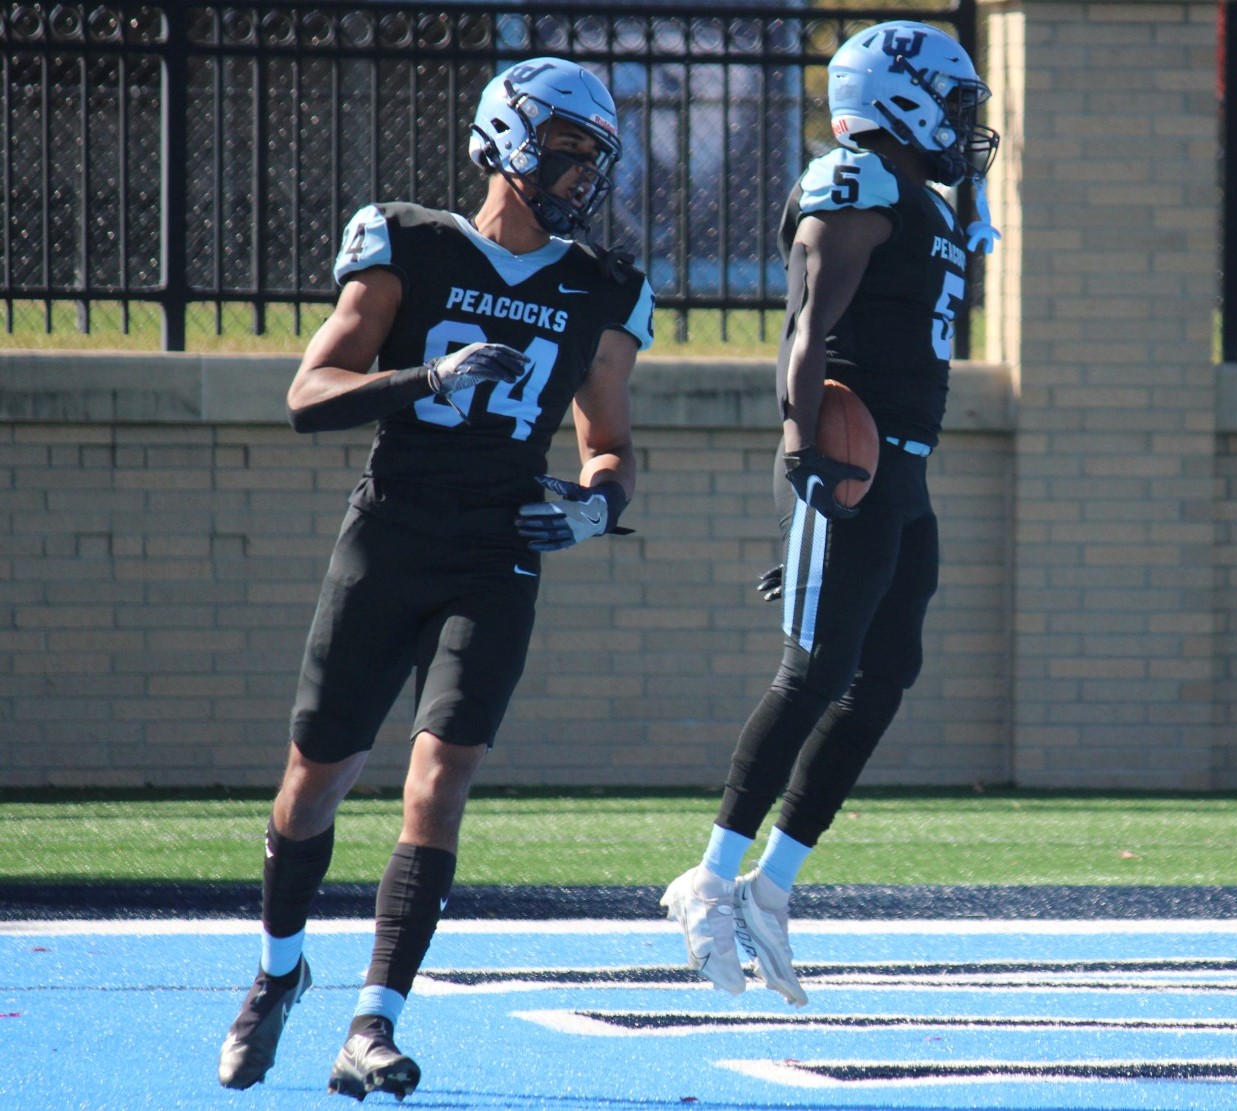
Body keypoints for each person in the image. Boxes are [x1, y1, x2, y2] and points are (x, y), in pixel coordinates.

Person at [216, 58, 653, 1098]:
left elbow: (608, 444)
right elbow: (308, 393)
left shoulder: (603, 286)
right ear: (505, 140)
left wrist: (597, 507)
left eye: (592, 157)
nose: (580, 174)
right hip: (391, 533)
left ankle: (374, 1022)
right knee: (314, 782)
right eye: (565, 149)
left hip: (498, 548)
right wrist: (425, 377)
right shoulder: (406, 241)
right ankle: (278, 970)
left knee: (440, 776)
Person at [660, 20, 1000, 1006]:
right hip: (846, 454)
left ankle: (772, 885)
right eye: (952, 103)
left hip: (903, 467)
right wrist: (801, 453)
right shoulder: (856, 181)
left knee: (885, 670)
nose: (963, 124)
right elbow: (808, 324)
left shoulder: (922, 198)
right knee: (812, 670)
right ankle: (709, 877)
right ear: (898, 96)